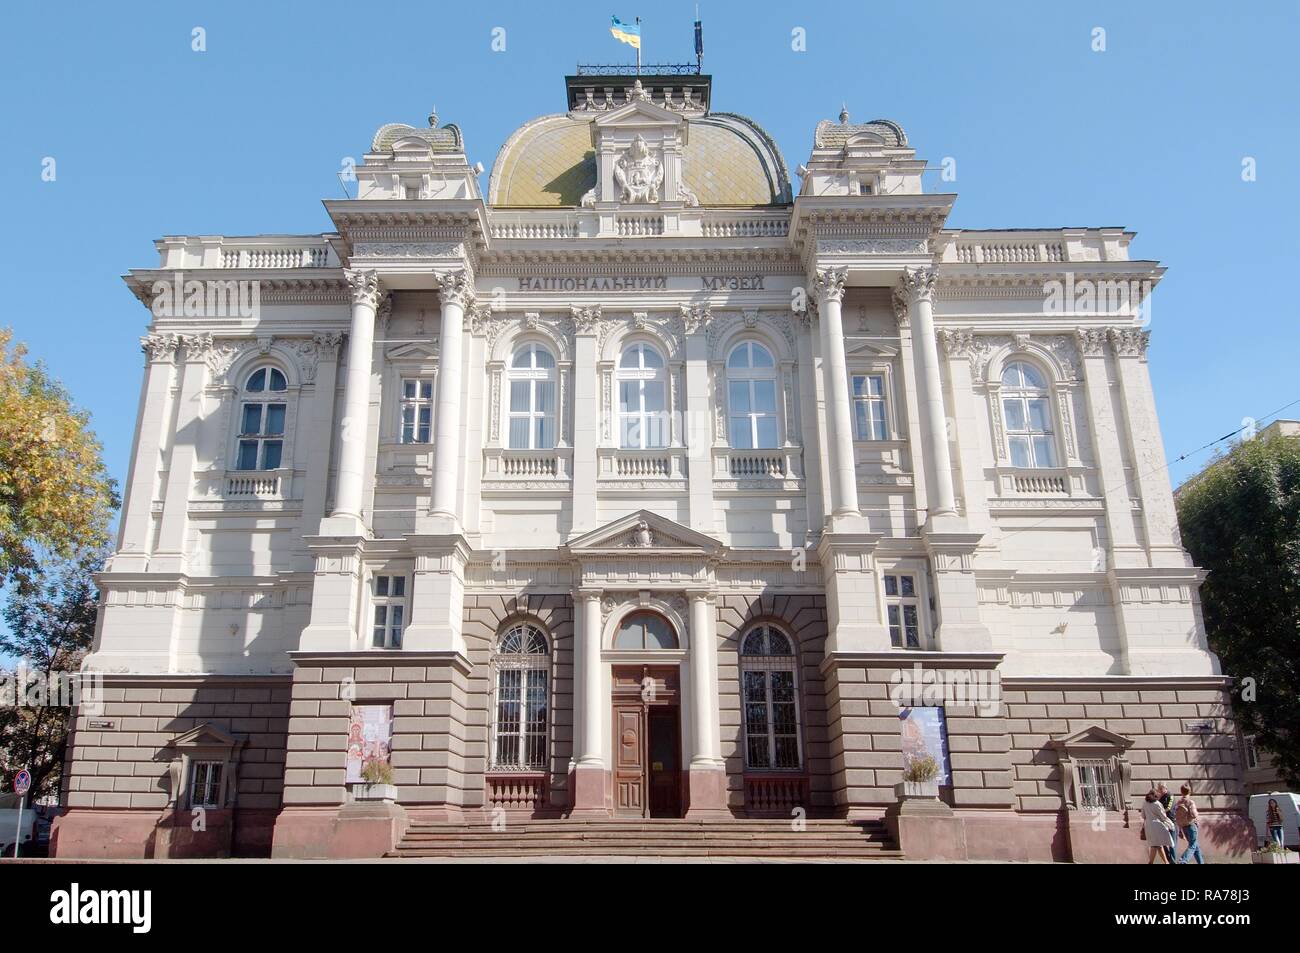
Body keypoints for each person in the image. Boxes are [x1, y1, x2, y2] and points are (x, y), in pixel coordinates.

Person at [1142, 789, 1176, 864]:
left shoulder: (1145, 803)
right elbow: (1163, 816)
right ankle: (1162, 862)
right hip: (1157, 826)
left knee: (1157, 845)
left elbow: (1143, 815)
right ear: (1155, 795)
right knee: (1157, 845)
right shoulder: (1157, 803)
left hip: (1148, 826)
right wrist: (1171, 824)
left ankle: (1164, 862)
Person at [1175, 784, 1205, 864]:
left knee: (1196, 846)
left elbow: (1177, 816)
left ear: (1181, 792)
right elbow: (1194, 814)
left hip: (1184, 827)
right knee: (1192, 845)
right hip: (1192, 826)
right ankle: (1182, 861)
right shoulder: (1190, 802)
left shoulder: (1178, 803)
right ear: (1190, 791)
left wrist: (1180, 830)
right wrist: (1197, 815)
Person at [1155, 783, 1177, 863]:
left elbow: (1168, 807)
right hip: (1163, 822)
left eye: (1160, 789)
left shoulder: (1170, 795)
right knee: (1163, 842)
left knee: (1172, 843)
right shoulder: (1161, 798)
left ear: (1164, 788)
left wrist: (1161, 812)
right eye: (1158, 789)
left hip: (1172, 821)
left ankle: (1173, 861)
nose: (1159, 791)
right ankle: (1168, 858)